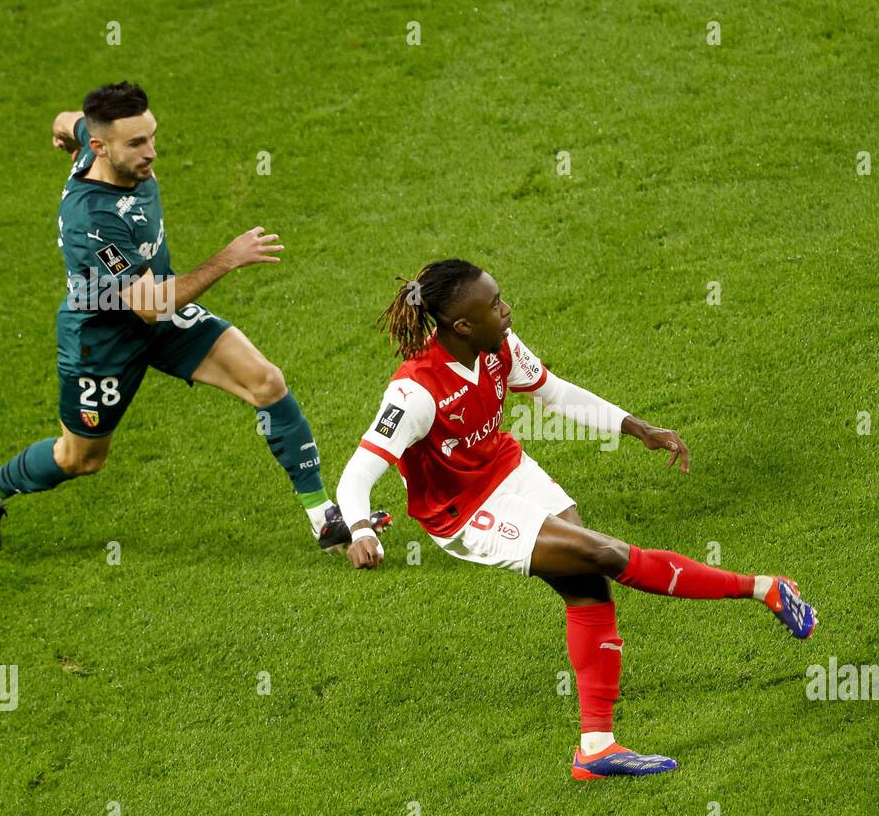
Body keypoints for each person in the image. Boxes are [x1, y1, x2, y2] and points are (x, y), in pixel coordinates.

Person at [335, 259, 817, 780]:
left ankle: (596, 748)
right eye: (494, 305)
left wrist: (640, 428)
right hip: (464, 514)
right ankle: (762, 588)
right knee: (602, 553)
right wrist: (360, 529)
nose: (507, 309)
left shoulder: (496, 346)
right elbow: (357, 475)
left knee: (587, 581)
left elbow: (557, 394)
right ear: (461, 325)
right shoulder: (414, 393)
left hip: (507, 469)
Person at [0, 82, 357, 555]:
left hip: (159, 310)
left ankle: (323, 517)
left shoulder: (96, 138)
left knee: (265, 381)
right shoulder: (93, 219)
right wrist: (227, 259)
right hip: (103, 337)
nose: (151, 153)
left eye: (151, 137)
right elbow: (149, 305)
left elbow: (66, 119)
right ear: (103, 148)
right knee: (80, 458)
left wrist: (63, 133)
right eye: (137, 144)